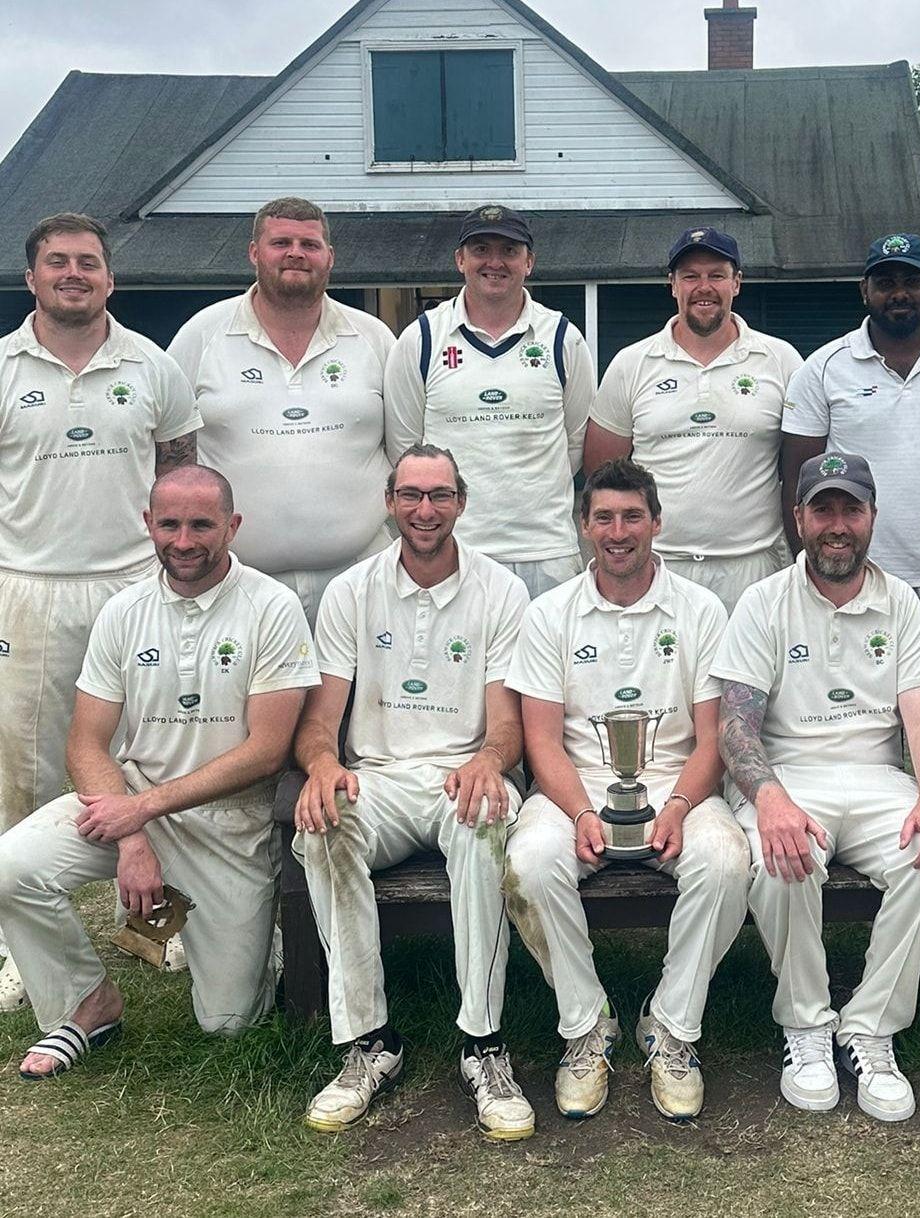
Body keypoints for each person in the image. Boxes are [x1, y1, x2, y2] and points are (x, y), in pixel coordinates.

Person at [0, 466, 318, 1077]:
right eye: (168, 523)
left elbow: (267, 750)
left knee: (228, 1025)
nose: (183, 540)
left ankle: (254, 943)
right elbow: (87, 744)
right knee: (12, 868)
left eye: (202, 524)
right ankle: (88, 1004)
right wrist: (132, 834)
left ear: (233, 525)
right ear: (147, 524)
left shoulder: (272, 607)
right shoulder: (124, 611)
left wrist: (142, 811)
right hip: (131, 802)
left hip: (229, 822)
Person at [714, 451, 920, 1122]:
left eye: (850, 509)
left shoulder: (901, 602)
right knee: (781, 859)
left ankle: (870, 1027)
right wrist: (769, 800)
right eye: (822, 509)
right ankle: (805, 1024)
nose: (836, 525)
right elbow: (735, 725)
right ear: (798, 518)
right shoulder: (763, 601)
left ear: (872, 517)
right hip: (789, 779)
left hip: (879, 780)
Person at [293, 444, 535, 1140]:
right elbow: (318, 721)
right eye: (410, 495)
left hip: (466, 774)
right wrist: (319, 766)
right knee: (322, 824)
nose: (424, 510)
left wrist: (491, 760)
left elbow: (508, 723)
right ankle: (370, 1041)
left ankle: (483, 1045)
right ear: (389, 502)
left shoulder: (502, 590)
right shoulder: (351, 590)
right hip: (380, 780)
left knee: (486, 819)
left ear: (462, 501)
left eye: (439, 495)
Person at [504, 459, 749, 1121]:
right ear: (584, 526)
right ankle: (588, 1025)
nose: (618, 531)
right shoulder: (550, 613)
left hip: (679, 787)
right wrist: (580, 810)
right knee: (528, 865)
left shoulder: (700, 609)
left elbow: (711, 738)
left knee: (727, 862)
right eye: (604, 517)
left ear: (656, 522)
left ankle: (671, 1026)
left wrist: (677, 806)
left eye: (632, 516)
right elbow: (541, 741)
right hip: (573, 789)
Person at [0, 212, 201, 1010]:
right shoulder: (3, 366)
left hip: (134, 585)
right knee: (29, 770)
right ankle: (25, 945)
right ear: (33, 277)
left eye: (88, 262)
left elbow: (181, 472)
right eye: (58, 262)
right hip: (31, 588)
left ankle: (160, 921)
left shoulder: (150, 366)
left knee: (156, 761)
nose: (73, 273)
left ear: (110, 278)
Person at [168, 196, 396, 626]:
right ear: (255, 252)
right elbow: (169, 455)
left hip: (361, 579)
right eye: (281, 242)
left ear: (330, 257)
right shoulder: (201, 334)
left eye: (309, 244)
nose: (296, 253)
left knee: (362, 696)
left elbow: (405, 449)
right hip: (235, 584)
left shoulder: (374, 337)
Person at [782, 233, 920, 644]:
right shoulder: (824, 368)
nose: (899, 294)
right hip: (856, 578)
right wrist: (810, 573)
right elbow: (796, 484)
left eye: (912, 281)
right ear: (864, 290)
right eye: (885, 283)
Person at [583, 227, 801, 611]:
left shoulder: (781, 361)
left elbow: (799, 466)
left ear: (737, 283)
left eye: (716, 275)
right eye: (690, 276)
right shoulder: (632, 364)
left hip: (753, 569)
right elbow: (604, 472)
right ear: (672, 285)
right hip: (659, 566)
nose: (704, 287)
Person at [384, 204, 595, 598]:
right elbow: (406, 450)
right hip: (455, 551)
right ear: (460, 259)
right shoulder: (421, 339)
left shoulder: (562, 337)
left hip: (546, 554)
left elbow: (574, 445)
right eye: (481, 249)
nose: (494, 262)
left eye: (509, 251)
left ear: (529, 261)